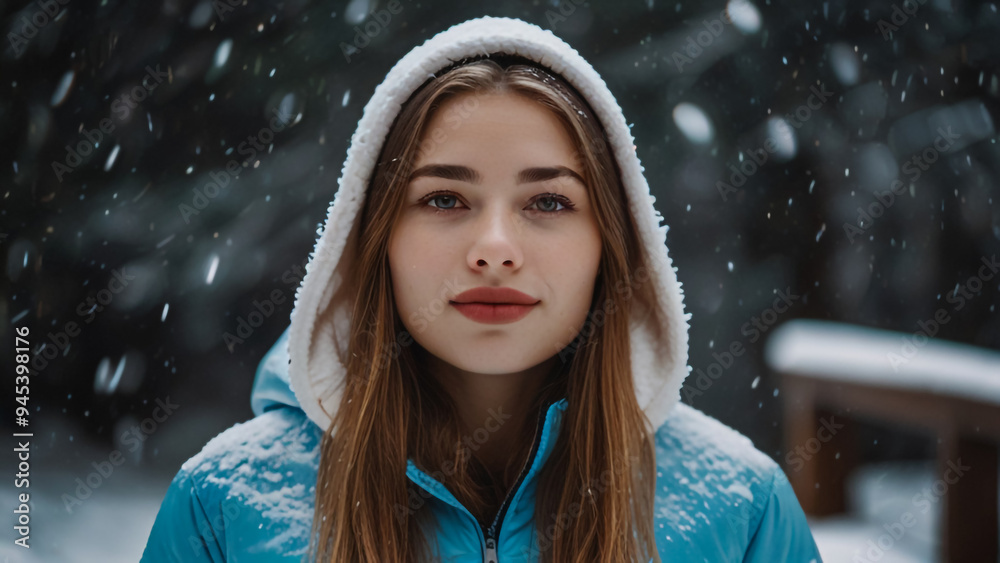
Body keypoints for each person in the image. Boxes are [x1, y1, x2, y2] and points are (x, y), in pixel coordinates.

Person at [140, 16, 823, 562]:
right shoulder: (222, 508)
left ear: (612, 250)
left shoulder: (742, 510)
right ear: (374, 240)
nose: (494, 248)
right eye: (443, 198)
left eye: (549, 203)